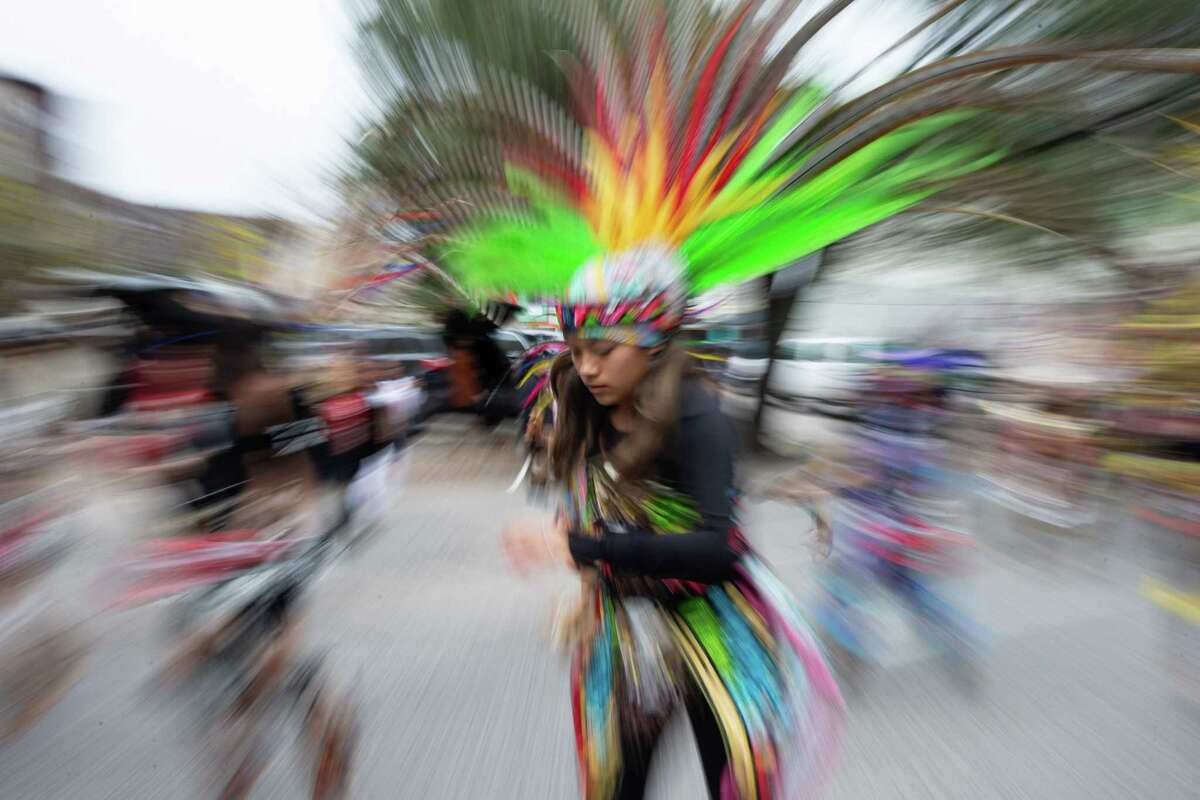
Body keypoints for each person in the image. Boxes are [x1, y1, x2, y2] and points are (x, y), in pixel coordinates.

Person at [500, 248, 842, 799]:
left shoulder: (697, 415)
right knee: (616, 788)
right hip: (630, 634)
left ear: (652, 342)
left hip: (715, 631)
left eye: (605, 351)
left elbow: (719, 550)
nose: (587, 367)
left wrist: (583, 547)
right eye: (578, 351)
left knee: (735, 784)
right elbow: (601, 509)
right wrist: (585, 562)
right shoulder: (585, 407)